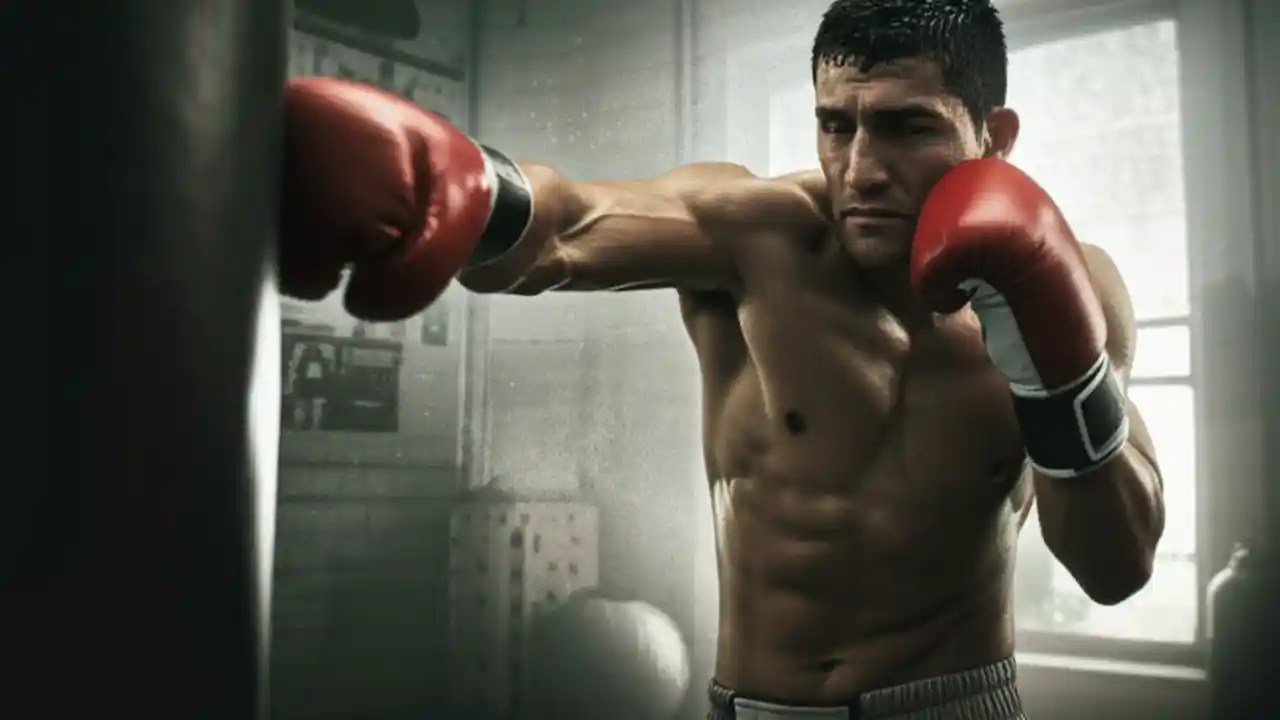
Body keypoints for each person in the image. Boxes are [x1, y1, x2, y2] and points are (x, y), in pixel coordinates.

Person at [279, 0, 1167, 717]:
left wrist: (1059, 370)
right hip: (752, 707)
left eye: (906, 128)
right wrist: (457, 182)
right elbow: (565, 229)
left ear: (994, 133)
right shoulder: (757, 233)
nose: (859, 170)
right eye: (836, 124)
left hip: (957, 703)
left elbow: (1115, 566)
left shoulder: (1075, 285)